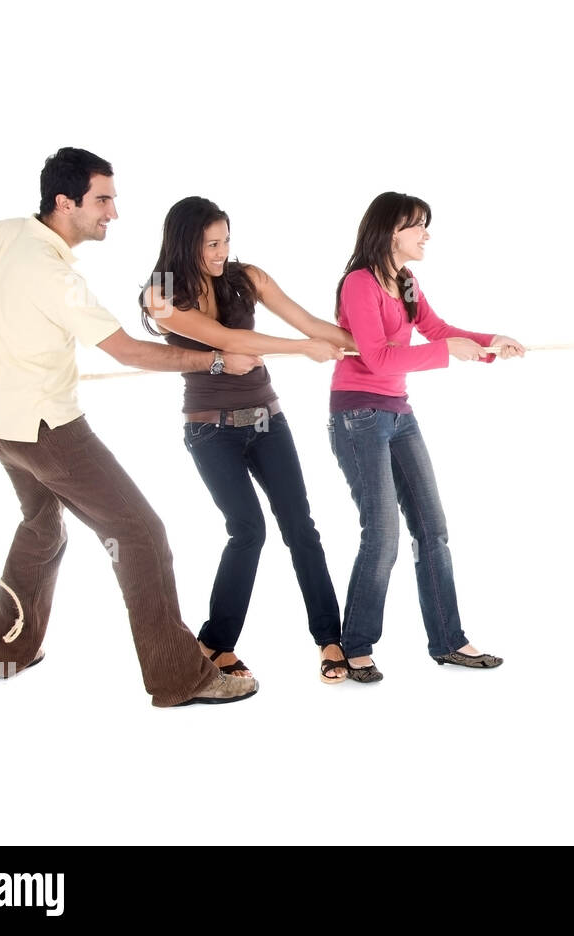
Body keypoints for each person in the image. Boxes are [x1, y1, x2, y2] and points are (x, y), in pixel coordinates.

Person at [0, 147, 260, 706]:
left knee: (41, 527)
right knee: (141, 536)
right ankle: (178, 678)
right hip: (50, 432)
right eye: (103, 200)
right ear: (64, 201)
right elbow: (127, 350)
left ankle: (8, 651)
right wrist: (215, 361)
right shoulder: (55, 276)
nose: (113, 213)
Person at [140, 196, 356, 684]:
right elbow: (227, 339)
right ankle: (215, 643)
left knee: (301, 526)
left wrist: (368, 344)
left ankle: (330, 637)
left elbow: (310, 324)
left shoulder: (248, 277)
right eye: (210, 244)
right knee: (248, 530)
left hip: (267, 421)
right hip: (209, 429)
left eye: (226, 240)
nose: (221, 252)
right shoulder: (162, 291)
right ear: (183, 243)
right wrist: (303, 350)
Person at [328, 192, 524, 681]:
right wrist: (450, 352)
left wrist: (487, 342)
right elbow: (377, 358)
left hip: (398, 413)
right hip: (359, 416)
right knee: (383, 535)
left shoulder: (405, 281)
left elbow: (434, 329)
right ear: (392, 230)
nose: (426, 235)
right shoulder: (359, 283)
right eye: (418, 226)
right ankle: (355, 646)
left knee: (431, 528)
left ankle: (449, 641)